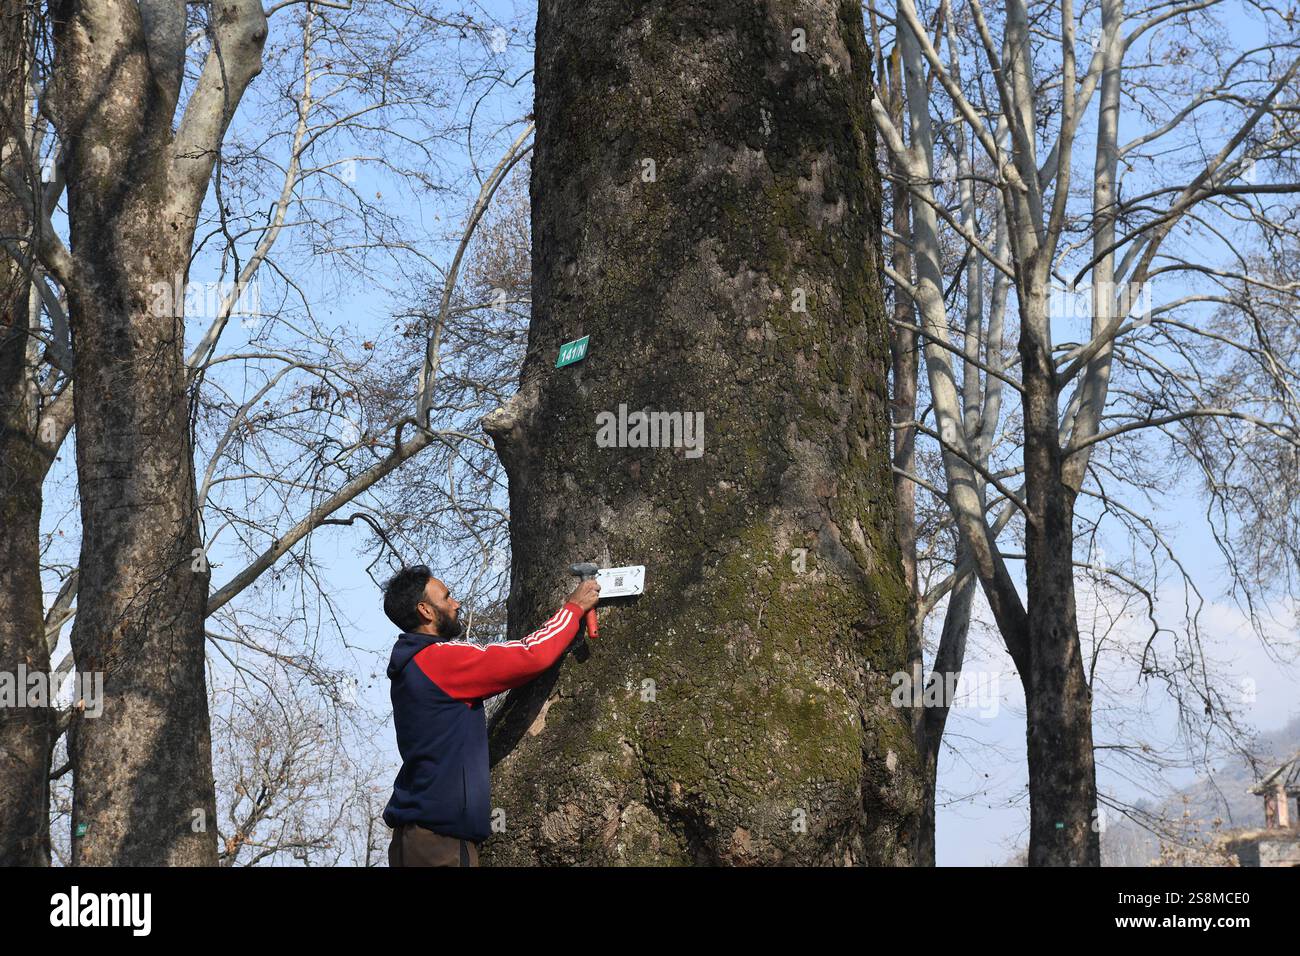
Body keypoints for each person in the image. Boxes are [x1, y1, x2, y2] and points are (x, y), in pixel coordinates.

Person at [380, 565, 599, 867]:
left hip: (416, 840)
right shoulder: (438, 660)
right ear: (426, 611)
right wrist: (573, 609)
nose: (456, 603)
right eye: (446, 597)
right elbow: (528, 655)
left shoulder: (411, 667)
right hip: (439, 843)